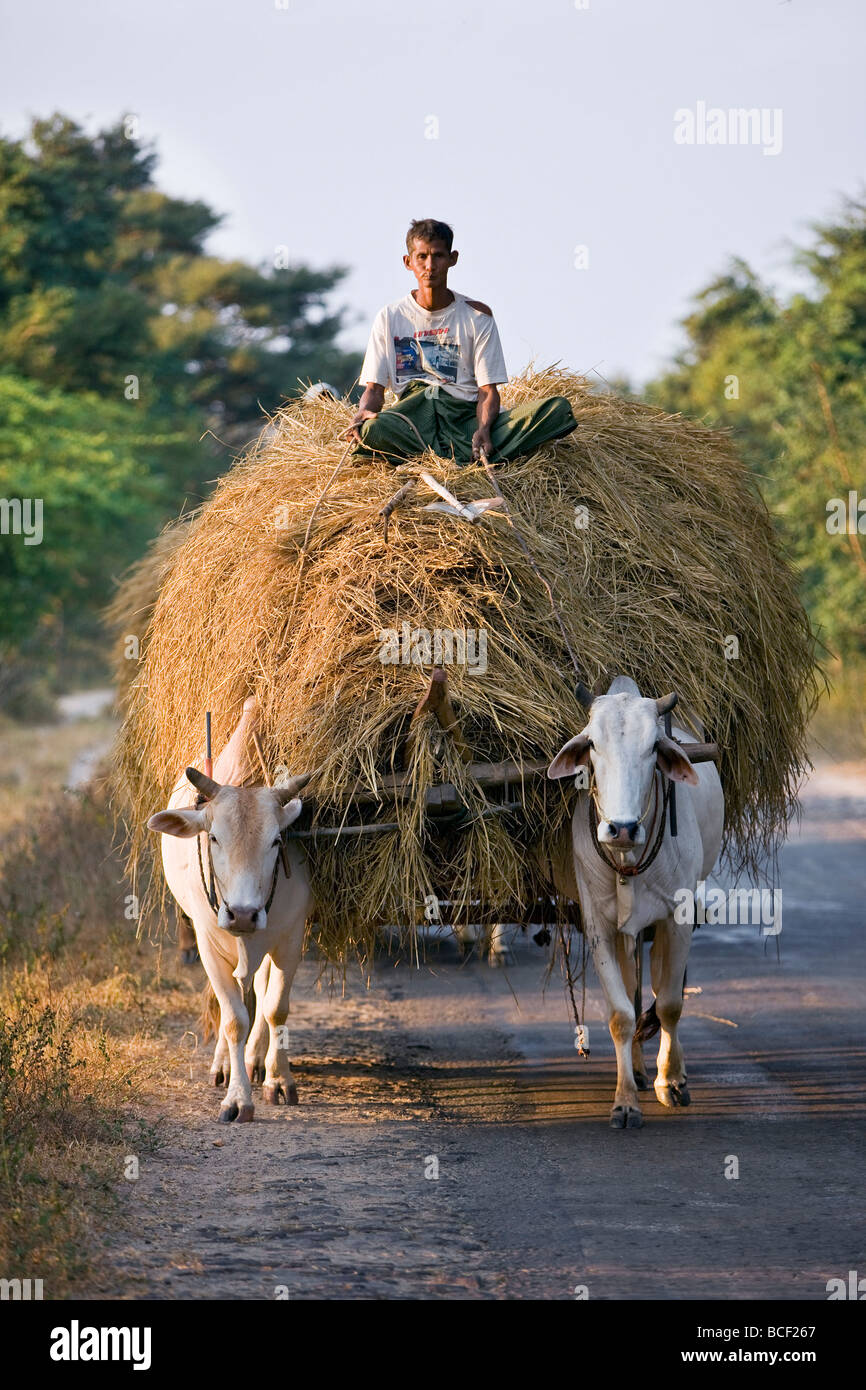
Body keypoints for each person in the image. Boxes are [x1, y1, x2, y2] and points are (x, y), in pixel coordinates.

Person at [345, 218, 577, 465]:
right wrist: (362, 414)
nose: (430, 266)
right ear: (408, 262)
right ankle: (449, 455)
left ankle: (462, 450)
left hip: (463, 422)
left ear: (453, 258)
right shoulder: (390, 317)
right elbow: (374, 389)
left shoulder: (477, 316)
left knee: (557, 410)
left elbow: (487, 390)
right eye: (421, 257)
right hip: (411, 423)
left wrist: (484, 429)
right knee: (372, 430)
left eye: (438, 256)